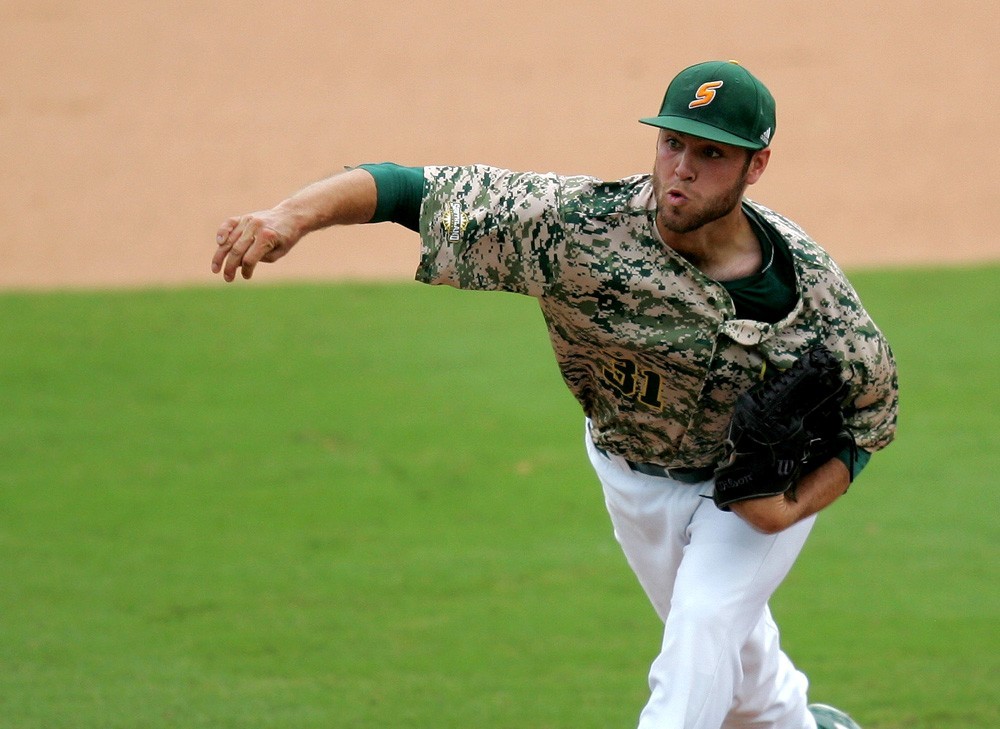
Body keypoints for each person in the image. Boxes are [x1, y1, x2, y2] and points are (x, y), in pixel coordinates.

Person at [212, 60, 897, 729]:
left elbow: (871, 412)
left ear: (757, 165)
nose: (682, 167)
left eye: (712, 153)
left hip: (745, 500)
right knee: (736, 670)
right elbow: (410, 189)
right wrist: (290, 216)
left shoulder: (808, 291)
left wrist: (791, 507)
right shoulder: (577, 228)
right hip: (629, 474)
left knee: (701, 629)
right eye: (672, 143)